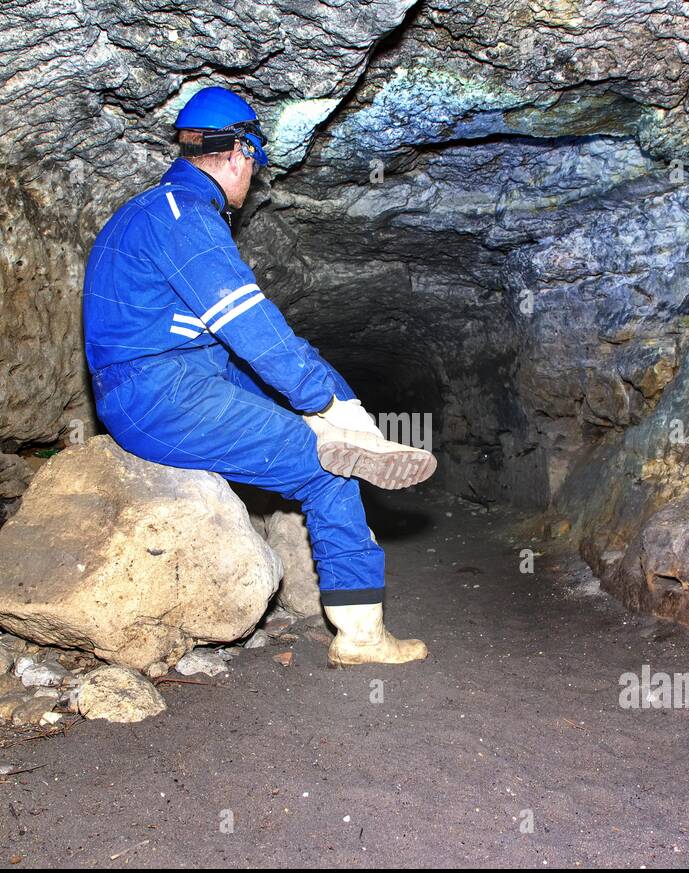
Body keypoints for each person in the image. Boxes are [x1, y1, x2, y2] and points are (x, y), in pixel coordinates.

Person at [82, 86, 434, 666]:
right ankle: (362, 636)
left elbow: (223, 356)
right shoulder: (185, 217)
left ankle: (346, 429)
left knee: (307, 414)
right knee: (328, 474)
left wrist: (320, 406)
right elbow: (252, 328)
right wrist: (330, 402)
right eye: (255, 167)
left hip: (168, 384)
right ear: (240, 155)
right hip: (168, 398)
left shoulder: (141, 213)